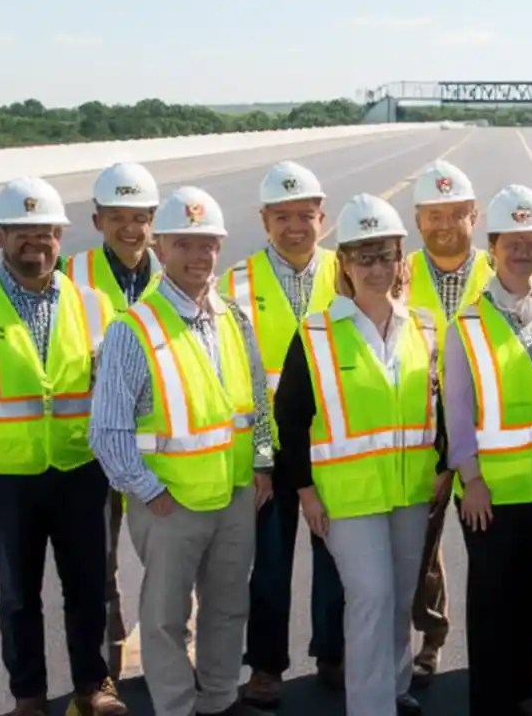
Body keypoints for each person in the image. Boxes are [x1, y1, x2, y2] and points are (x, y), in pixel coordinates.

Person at [0, 176, 125, 716]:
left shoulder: (93, 304)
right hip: (4, 480)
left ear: (61, 237)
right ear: (0, 238)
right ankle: (29, 696)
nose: (36, 242)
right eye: (22, 232)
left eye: (46, 232)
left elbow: (112, 385)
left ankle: (92, 686)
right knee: (18, 594)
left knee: (87, 587)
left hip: (80, 469)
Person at [89, 185, 273, 716]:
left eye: (208, 244)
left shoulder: (233, 317)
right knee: (166, 619)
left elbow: (257, 401)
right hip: (169, 502)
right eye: (185, 244)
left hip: (234, 494)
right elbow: (108, 430)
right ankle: (175, 706)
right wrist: (149, 491)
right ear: (161, 248)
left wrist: (262, 463)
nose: (199, 256)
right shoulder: (134, 329)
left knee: (227, 607)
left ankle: (219, 699)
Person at [275, 193, 445, 716]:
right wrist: (305, 491)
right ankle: (371, 707)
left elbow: (436, 403)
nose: (376, 268)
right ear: (345, 264)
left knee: (398, 597)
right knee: (370, 597)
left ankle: (395, 687)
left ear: (400, 259)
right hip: (347, 498)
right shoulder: (316, 333)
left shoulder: (422, 326)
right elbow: (290, 417)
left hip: (409, 492)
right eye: (364, 257)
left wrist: (442, 466)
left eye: (385, 255)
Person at [445, 183, 532, 716]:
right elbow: (457, 412)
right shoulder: (468, 325)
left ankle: (521, 694)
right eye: (513, 242)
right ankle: (488, 703)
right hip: (490, 494)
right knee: (490, 605)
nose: (524, 251)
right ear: (493, 248)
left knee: (529, 598)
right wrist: (472, 479)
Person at [221, 160, 339, 709]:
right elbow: (233, 377)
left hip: (331, 445)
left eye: (305, 215)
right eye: (282, 216)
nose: (295, 227)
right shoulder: (235, 283)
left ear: (323, 216)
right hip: (268, 451)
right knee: (268, 565)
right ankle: (266, 666)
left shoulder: (344, 270)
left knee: (335, 558)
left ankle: (333, 653)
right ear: (263, 219)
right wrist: (261, 457)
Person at [64, 160, 163, 680]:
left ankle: (173, 660)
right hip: (94, 447)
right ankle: (106, 669)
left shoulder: (174, 271)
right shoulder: (69, 275)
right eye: (118, 217)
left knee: (170, 561)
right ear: (97, 220)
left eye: (140, 217)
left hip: (161, 445)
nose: (130, 228)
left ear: (154, 220)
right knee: (98, 564)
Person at [405, 158, 491, 687]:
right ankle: (432, 637)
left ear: (473, 215)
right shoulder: (398, 272)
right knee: (420, 554)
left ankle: (526, 647)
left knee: (504, 551)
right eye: (432, 215)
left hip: (489, 433)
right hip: (421, 436)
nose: (443, 225)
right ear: (417, 220)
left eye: (455, 213)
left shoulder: (498, 269)